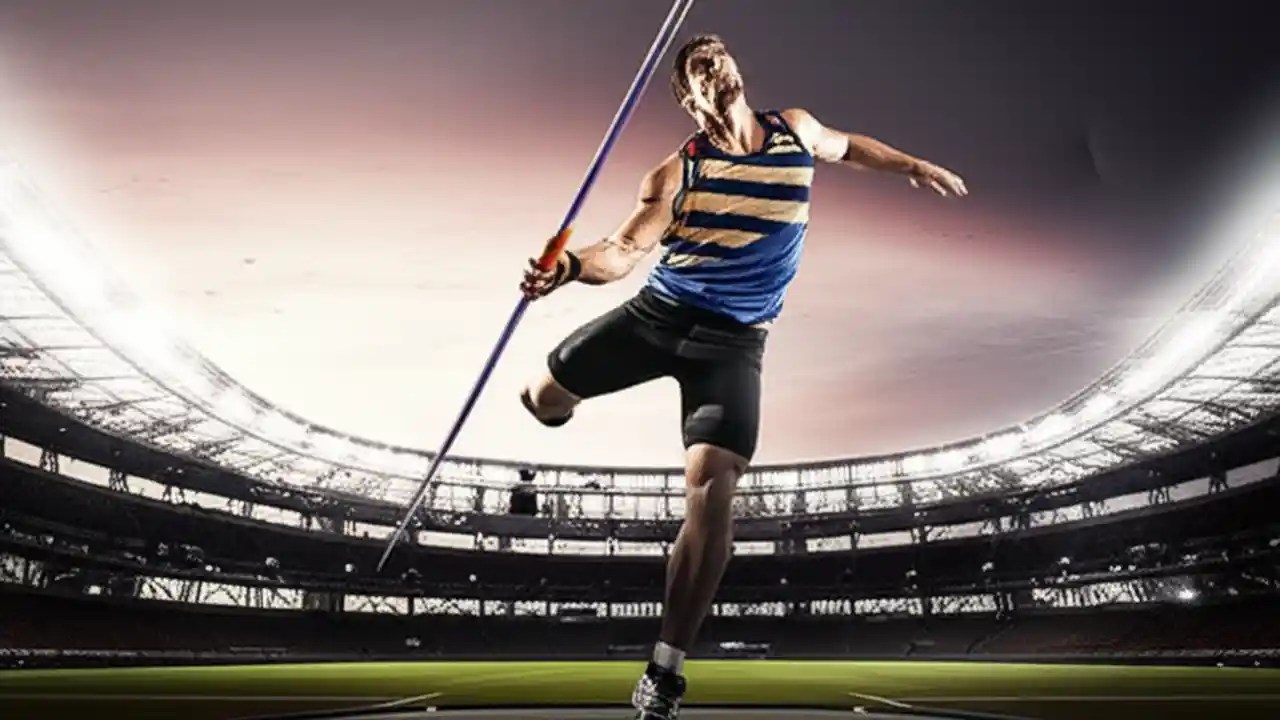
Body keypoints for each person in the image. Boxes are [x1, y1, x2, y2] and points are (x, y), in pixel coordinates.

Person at [518, 33, 967, 720]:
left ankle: (665, 670)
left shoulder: (796, 131)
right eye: (701, 66)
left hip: (731, 347)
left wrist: (912, 165)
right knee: (542, 396)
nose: (716, 66)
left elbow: (849, 147)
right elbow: (621, 250)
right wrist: (568, 268)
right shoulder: (677, 172)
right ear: (687, 97)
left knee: (712, 489)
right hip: (654, 319)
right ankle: (554, 406)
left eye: (721, 56)